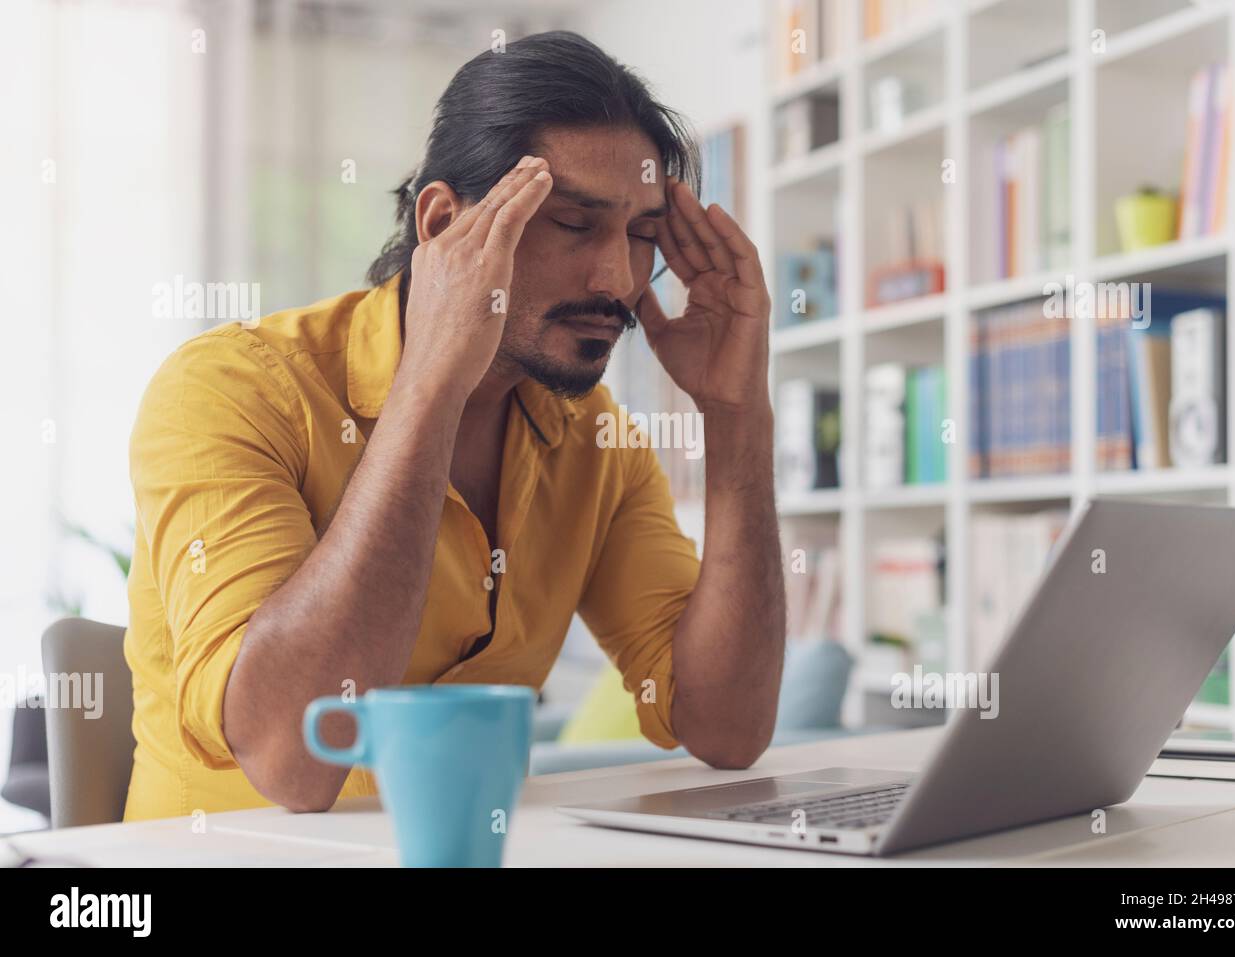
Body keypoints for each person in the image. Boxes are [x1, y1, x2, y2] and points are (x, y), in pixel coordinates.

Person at [123, 30, 784, 820]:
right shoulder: (229, 390)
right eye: (574, 224)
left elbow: (726, 726)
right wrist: (435, 379)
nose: (619, 279)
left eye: (642, 236)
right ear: (441, 224)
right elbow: (291, 758)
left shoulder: (595, 442)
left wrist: (736, 416)